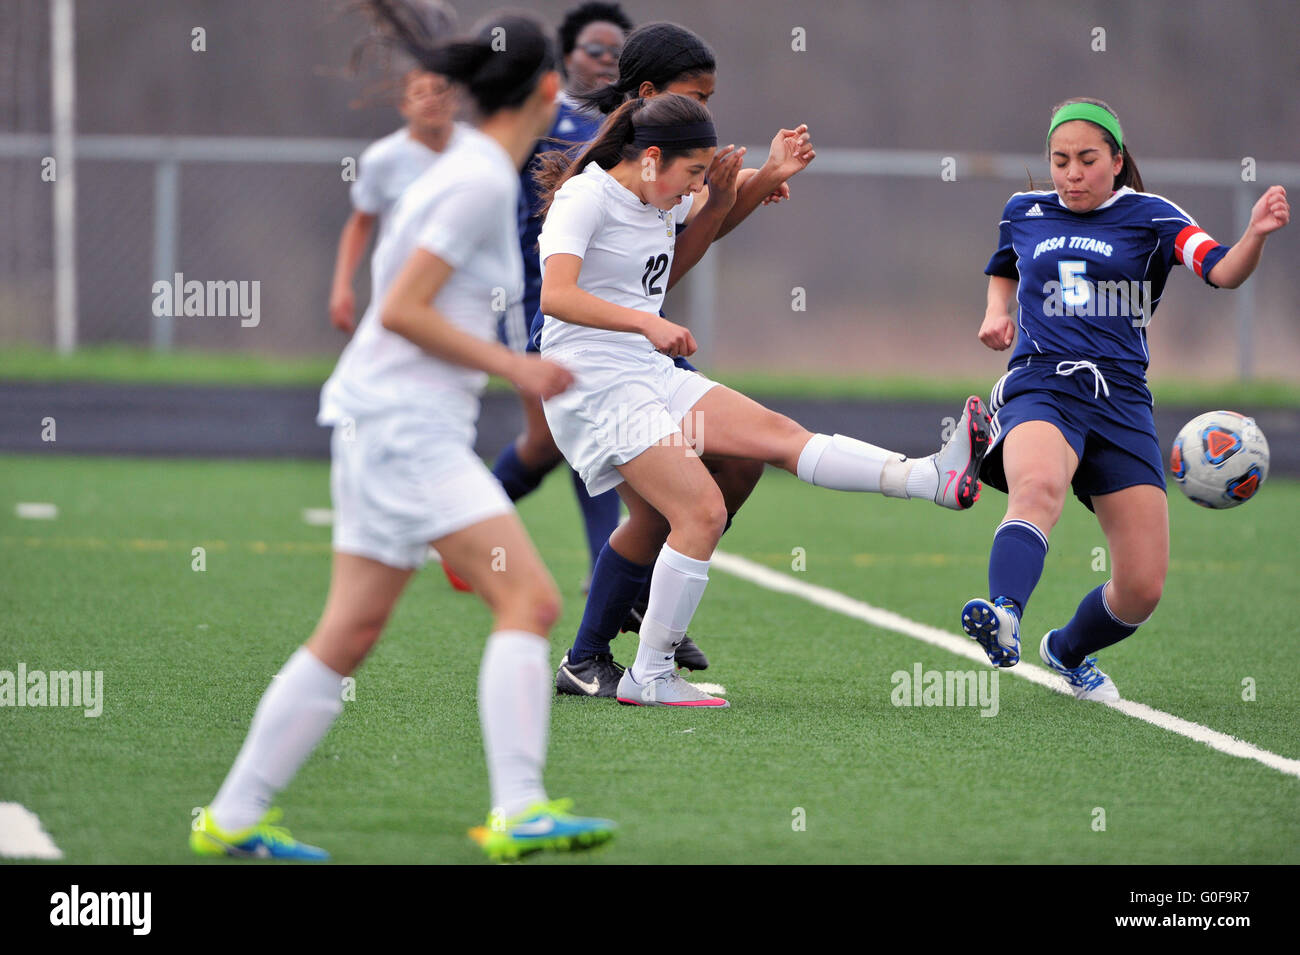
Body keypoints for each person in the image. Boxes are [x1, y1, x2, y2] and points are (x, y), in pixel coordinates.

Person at [190, 4, 615, 862]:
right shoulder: (478, 179)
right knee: (528, 600)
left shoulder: (471, 165)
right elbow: (402, 308)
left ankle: (232, 819)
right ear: (545, 86)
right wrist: (520, 369)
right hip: (404, 430)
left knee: (348, 632)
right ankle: (521, 809)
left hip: (382, 423)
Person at [535, 94, 991, 707]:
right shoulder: (584, 198)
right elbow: (556, 296)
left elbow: (727, 190)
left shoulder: (662, 188)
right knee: (699, 511)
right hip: (591, 383)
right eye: (692, 175)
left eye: (702, 175)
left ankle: (930, 478)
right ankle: (649, 675)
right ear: (650, 159)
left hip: (643, 370)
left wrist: (771, 169)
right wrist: (643, 323)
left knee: (776, 436)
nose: (696, 191)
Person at [961, 97, 1289, 700]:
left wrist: (1255, 236)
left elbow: (1222, 272)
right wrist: (996, 312)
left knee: (1141, 588)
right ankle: (1005, 613)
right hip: (1043, 381)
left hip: (1121, 402)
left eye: (1087, 159)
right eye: (1060, 160)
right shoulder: (1024, 211)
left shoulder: (1152, 216)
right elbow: (1006, 263)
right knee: (1038, 490)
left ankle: (1066, 650)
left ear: (1116, 160)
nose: (1072, 173)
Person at [543, 22, 816, 696]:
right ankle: (596, 646)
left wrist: (748, 184)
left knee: (735, 467)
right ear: (648, 96)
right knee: (665, 511)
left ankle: (642, 593)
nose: (707, 113)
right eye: (695, 95)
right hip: (597, 358)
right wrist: (738, 190)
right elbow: (610, 284)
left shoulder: (661, 166)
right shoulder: (613, 175)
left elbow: (688, 239)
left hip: (642, 353)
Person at [489, 2, 635, 602]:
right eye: (594, 49)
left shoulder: (627, 125)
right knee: (569, 432)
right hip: (533, 292)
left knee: (561, 437)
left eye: (616, 53)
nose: (605, 61)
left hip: (594, 299)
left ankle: (452, 522)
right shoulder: (542, 116)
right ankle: (456, 523)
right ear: (568, 53)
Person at [328, 62, 461, 335]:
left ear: (455, 98)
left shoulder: (479, 154)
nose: (431, 100)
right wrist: (341, 286)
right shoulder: (383, 159)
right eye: (419, 94)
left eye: (439, 91)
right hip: (398, 291)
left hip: (460, 289)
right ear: (404, 106)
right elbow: (361, 221)